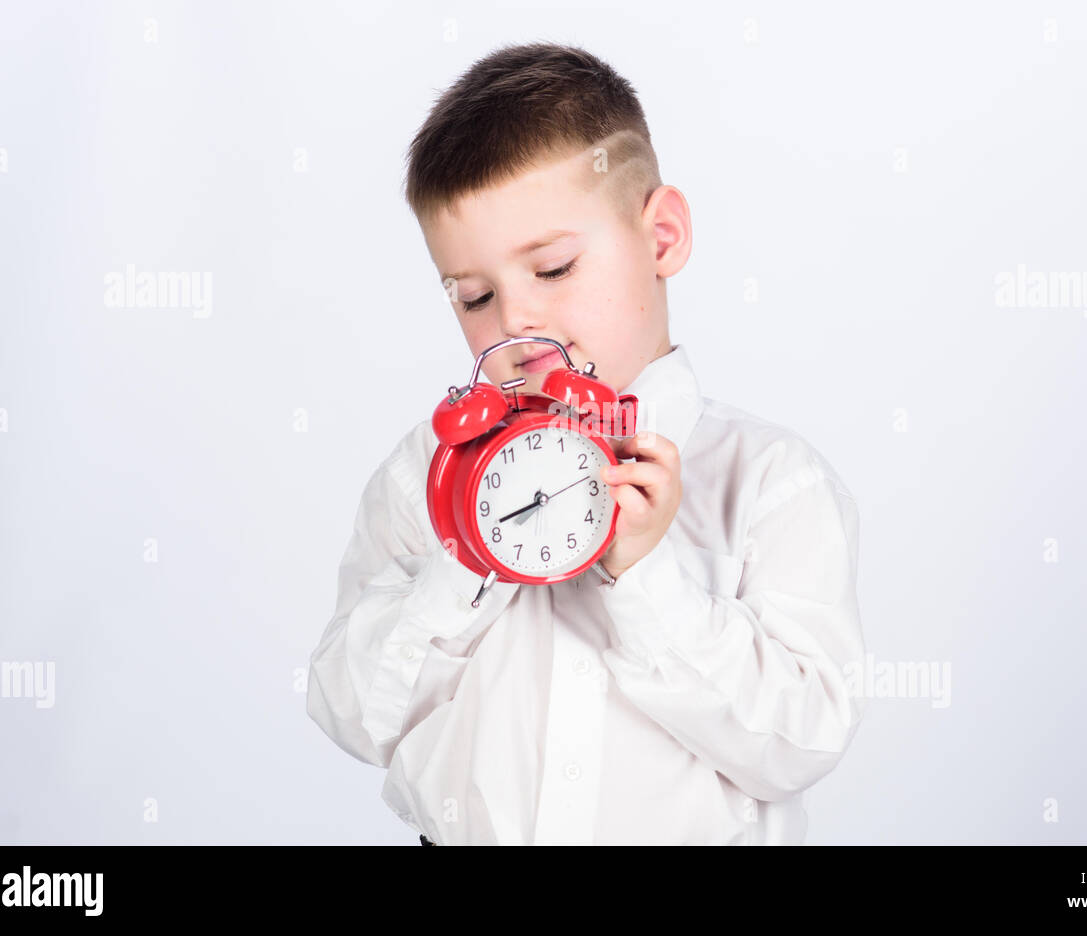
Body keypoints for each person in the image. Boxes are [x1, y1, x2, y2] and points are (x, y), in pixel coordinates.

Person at [306, 42, 866, 845]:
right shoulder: (421, 480)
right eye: (475, 295)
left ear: (662, 236)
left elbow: (801, 739)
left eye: (556, 267)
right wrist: (467, 553)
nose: (515, 322)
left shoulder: (774, 482)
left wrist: (647, 577)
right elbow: (352, 713)